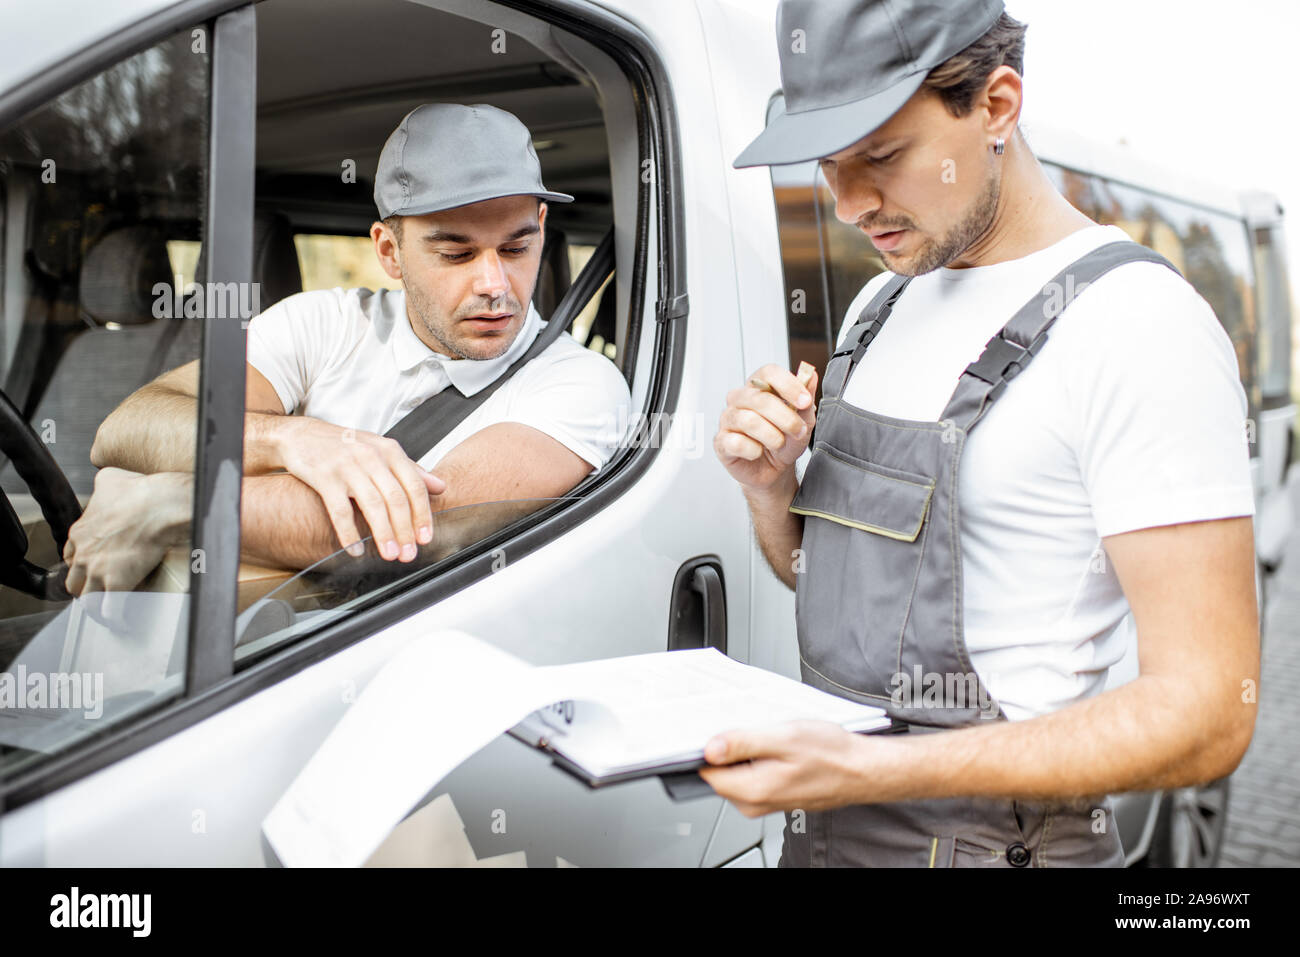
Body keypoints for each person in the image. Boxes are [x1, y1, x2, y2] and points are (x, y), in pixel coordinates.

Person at [704, 0, 1258, 866]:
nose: (848, 203)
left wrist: (870, 769)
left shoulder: (1138, 326)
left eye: (881, 155)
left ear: (997, 105)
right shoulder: (879, 307)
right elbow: (820, 575)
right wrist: (772, 489)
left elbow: (1209, 712)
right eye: (828, 164)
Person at [64, 103, 630, 594]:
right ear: (389, 251)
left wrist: (170, 503)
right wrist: (293, 438)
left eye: (516, 248)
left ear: (542, 227)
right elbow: (126, 427)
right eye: (456, 254)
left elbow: (417, 527)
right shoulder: (324, 323)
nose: (495, 285)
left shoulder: (581, 385)